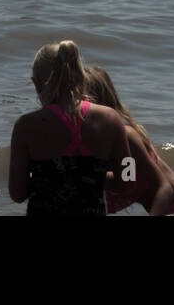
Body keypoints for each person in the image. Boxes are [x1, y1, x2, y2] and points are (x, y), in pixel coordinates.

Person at [8, 41, 131, 216]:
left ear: (36, 84)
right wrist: (90, 176)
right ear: (83, 78)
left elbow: (17, 193)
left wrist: (50, 178)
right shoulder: (111, 119)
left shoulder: (25, 125)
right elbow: (127, 180)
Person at [84, 67, 174, 216]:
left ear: (94, 101)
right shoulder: (104, 141)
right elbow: (126, 178)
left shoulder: (126, 136)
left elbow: (165, 189)